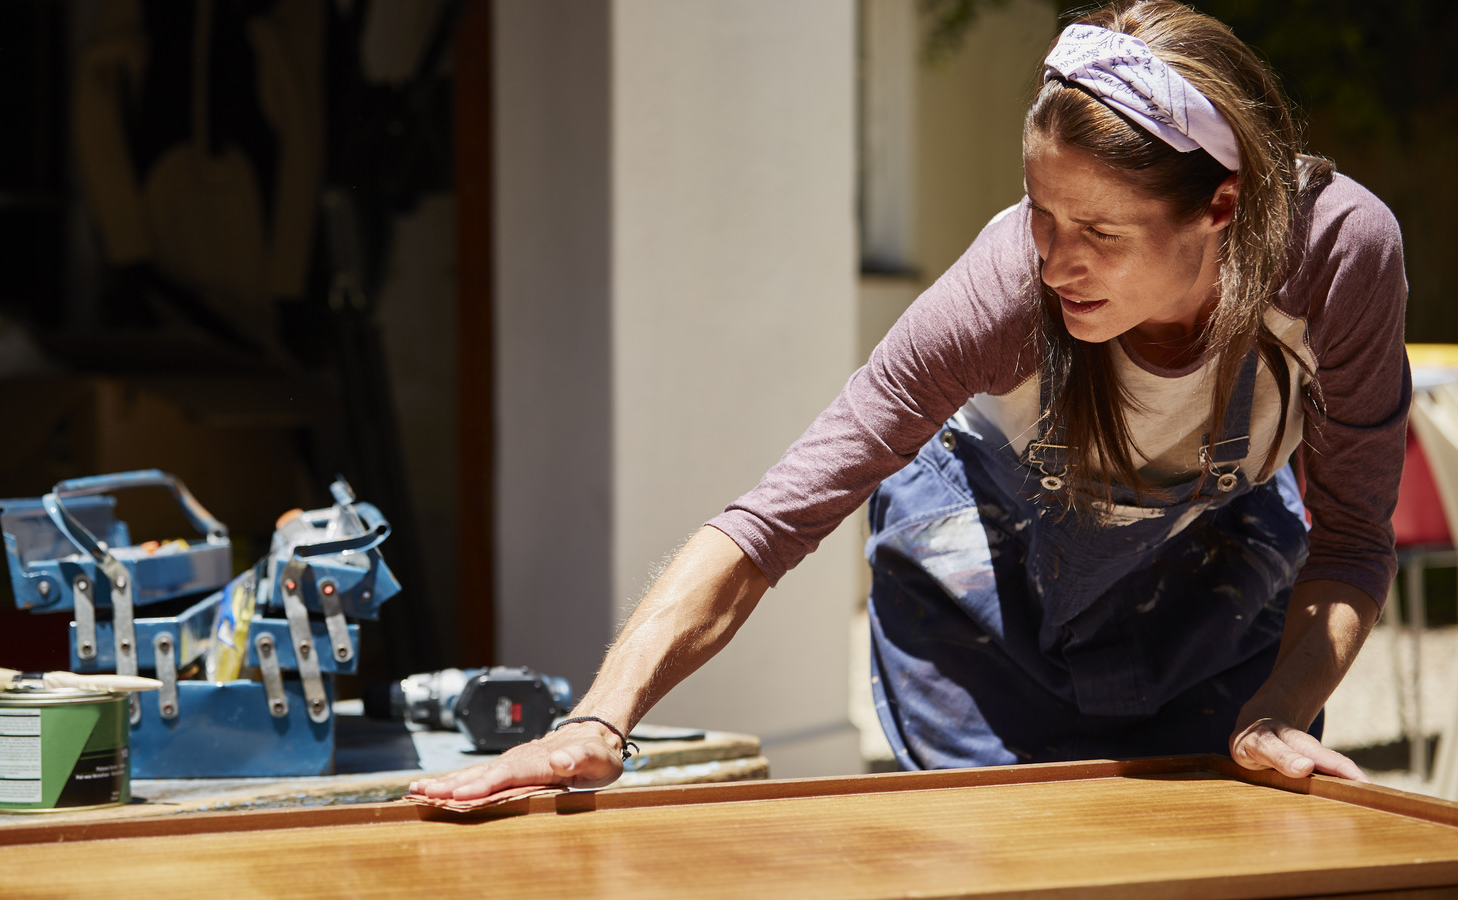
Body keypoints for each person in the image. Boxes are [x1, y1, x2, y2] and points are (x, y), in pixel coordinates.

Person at [411, 0, 1408, 803]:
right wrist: (598, 720)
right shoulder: (1003, 293)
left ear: (1220, 206)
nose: (1054, 262)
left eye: (1100, 233)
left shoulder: (1337, 258)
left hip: (1213, 592)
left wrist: (1278, 711)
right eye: (1041, 214)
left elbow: (1354, 538)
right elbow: (770, 523)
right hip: (984, 600)